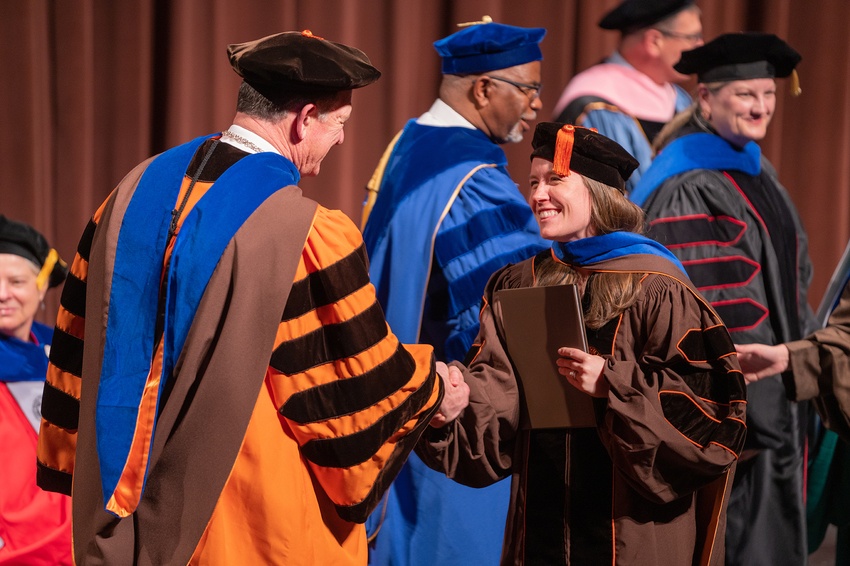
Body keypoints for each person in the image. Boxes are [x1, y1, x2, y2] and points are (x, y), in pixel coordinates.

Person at [35, 30, 452, 565]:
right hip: (240, 521)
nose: (342, 141)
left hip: (117, 512)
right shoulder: (303, 232)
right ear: (304, 119)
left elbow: (76, 351)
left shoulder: (126, 195)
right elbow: (341, 396)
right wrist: (432, 385)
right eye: (340, 124)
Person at [417, 122, 747, 565]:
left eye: (555, 179)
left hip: (633, 531)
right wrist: (455, 403)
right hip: (542, 526)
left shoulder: (657, 287)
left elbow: (712, 412)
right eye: (533, 182)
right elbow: (498, 389)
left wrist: (614, 386)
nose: (537, 195)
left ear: (598, 191)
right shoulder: (518, 283)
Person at [360, 18, 549, 565]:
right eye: (528, 89)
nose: (536, 105)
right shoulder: (476, 183)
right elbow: (507, 314)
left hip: (396, 392)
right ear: (484, 88)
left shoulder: (408, 145)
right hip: (453, 417)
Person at [630, 33, 814, 566]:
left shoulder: (753, 168)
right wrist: (750, 411)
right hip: (737, 412)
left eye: (769, 94)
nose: (761, 107)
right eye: (745, 95)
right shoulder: (692, 182)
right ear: (706, 98)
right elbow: (720, 305)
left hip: (776, 397)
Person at [551, 0, 703, 193]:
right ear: (654, 41)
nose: (700, 45)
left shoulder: (681, 100)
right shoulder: (594, 106)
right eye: (693, 37)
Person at [0, 216, 71, 565]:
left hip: (68, 546)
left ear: (42, 287)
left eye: (16, 281)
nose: (2, 294)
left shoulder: (64, 354)